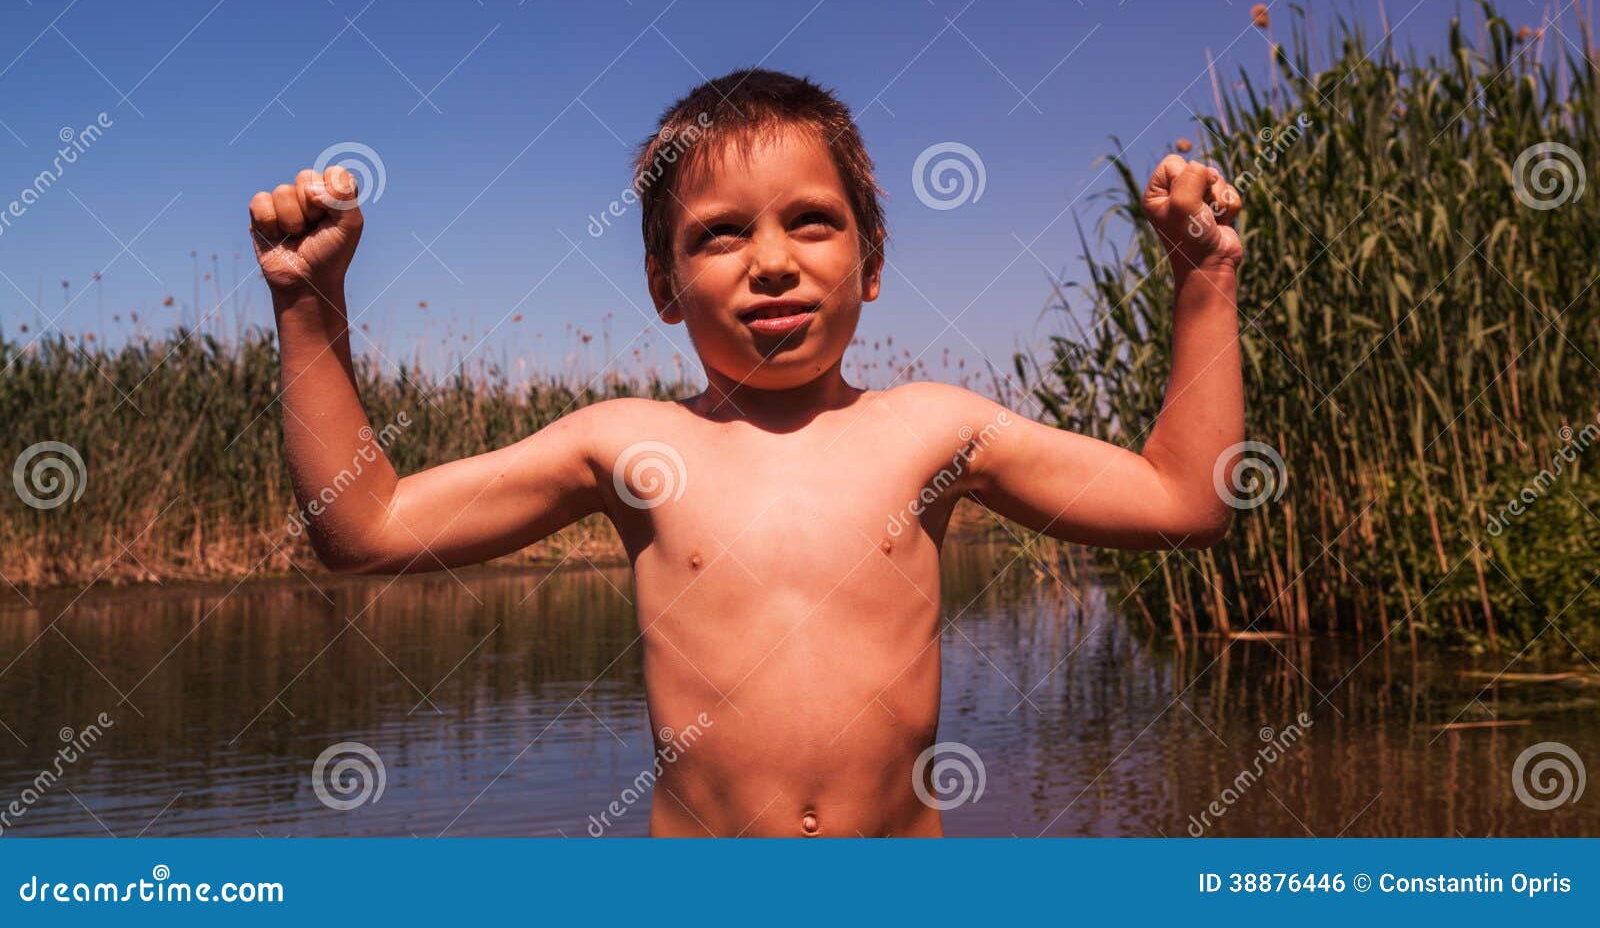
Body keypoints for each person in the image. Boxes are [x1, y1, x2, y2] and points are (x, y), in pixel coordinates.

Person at [247, 67, 1244, 836]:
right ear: (663, 285)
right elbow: (364, 527)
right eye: (721, 234)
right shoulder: (628, 442)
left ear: (873, 260)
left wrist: (1203, 283)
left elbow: (1183, 501)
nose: (772, 261)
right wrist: (308, 302)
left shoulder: (936, 431)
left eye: (811, 221)